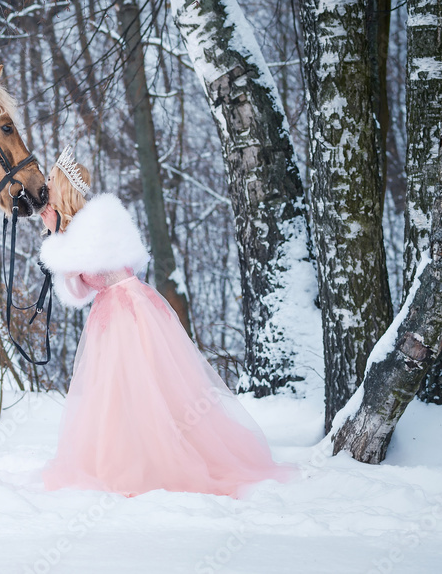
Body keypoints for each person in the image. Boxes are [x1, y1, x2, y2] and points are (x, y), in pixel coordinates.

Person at [39, 147, 290, 497]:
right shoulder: (73, 231)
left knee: (144, 387)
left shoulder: (97, 221)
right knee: (115, 394)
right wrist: (56, 236)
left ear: (62, 185)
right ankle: (129, 458)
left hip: (130, 310)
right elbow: (76, 288)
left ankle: (162, 462)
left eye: (50, 178)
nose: (45, 184)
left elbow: (97, 270)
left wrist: (59, 237)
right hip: (107, 313)